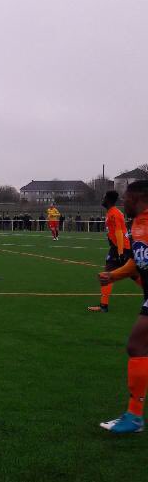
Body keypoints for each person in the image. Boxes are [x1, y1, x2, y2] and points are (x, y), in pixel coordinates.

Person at [99, 181, 148, 433]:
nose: (123, 202)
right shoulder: (137, 223)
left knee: (136, 345)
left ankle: (134, 416)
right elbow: (137, 262)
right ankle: (134, 416)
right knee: (138, 346)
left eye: (126, 197)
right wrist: (113, 275)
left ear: (137, 197)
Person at [89, 191, 134, 313]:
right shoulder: (111, 212)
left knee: (107, 275)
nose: (102, 200)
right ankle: (103, 306)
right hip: (119, 248)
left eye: (104, 198)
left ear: (108, 200)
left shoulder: (115, 213)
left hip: (120, 248)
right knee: (134, 274)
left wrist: (120, 252)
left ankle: (103, 306)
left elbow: (119, 232)